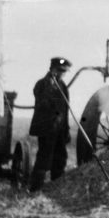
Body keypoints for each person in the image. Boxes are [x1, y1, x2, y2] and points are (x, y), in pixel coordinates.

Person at [28, 57, 72, 192]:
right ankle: (35, 189)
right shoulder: (42, 84)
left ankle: (55, 187)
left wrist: (66, 130)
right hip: (47, 129)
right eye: (59, 71)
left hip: (59, 130)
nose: (62, 73)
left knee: (60, 158)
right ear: (52, 69)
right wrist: (50, 84)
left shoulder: (63, 86)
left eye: (64, 71)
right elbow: (43, 103)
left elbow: (65, 110)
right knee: (44, 158)